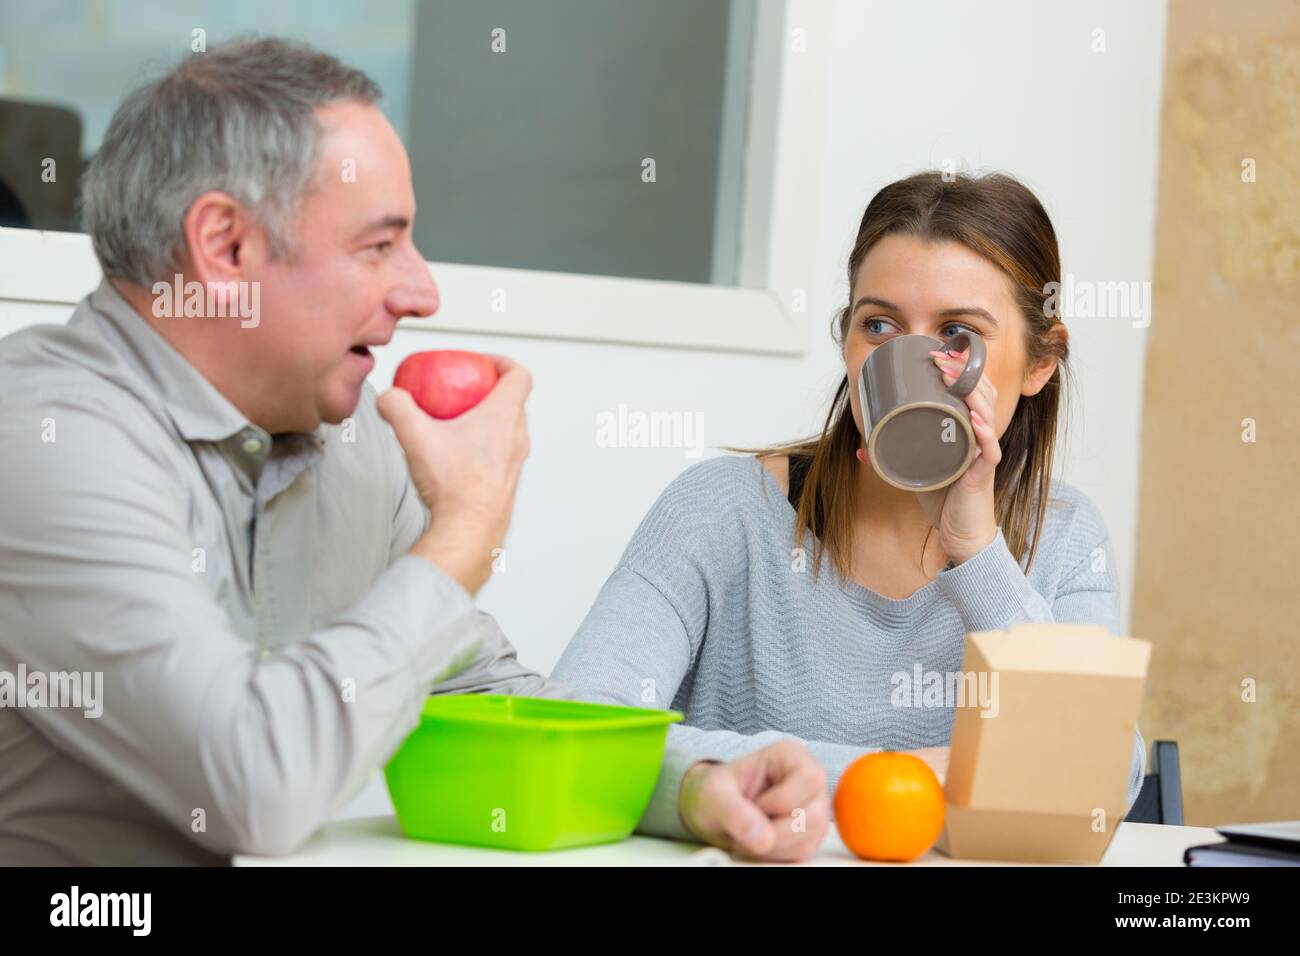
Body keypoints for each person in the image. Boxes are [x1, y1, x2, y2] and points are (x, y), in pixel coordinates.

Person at [0, 38, 827, 864]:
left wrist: (695, 784)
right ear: (225, 247)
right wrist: (461, 537)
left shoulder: (350, 439)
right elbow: (252, 785)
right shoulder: (45, 438)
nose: (423, 292)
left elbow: (481, 695)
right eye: (377, 246)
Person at [553, 171, 1147, 813]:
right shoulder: (720, 511)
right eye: (881, 328)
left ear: (1039, 364)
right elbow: (575, 726)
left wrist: (977, 554)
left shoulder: (1064, 534)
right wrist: (900, 779)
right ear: (848, 342)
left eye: (957, 336)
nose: (916, 361)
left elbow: (1100, 776)